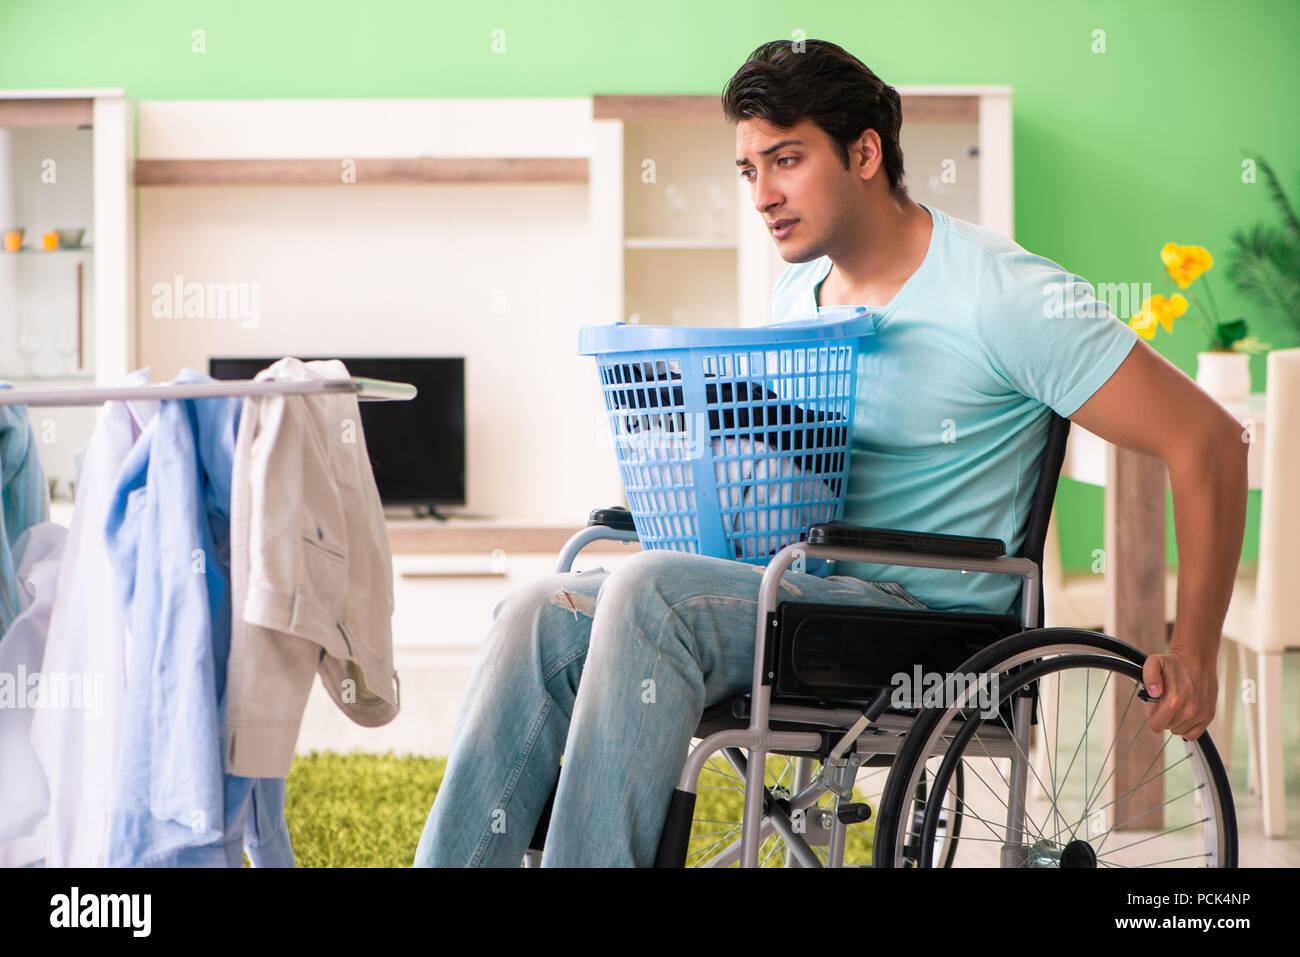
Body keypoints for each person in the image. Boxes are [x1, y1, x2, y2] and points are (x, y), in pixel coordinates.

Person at [413, 38, 1247, 868]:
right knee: (535, 614)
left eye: (786, 159)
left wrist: (1199, 647)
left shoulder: (1005, 293)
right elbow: (801, 471)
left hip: (926, 628)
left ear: (865, 153)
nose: (763, 194)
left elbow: (1208, 439)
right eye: (748, 171)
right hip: (808, 589)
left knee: (647, 588)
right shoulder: (798, 291)